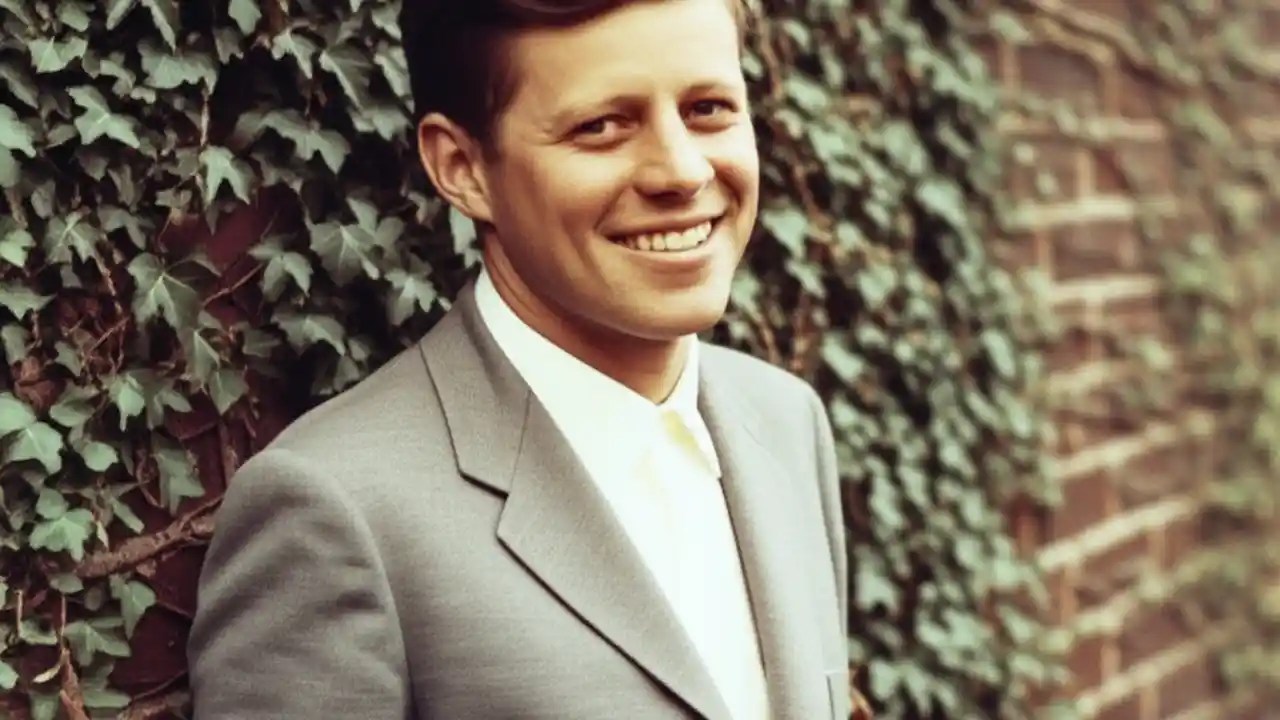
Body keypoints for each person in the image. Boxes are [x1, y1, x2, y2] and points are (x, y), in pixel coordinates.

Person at [187, 0, 849, 718]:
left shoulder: (787, 422)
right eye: (602, 126)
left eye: (710, 108)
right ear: (463, 167)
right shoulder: (336, 512)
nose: (683, 172)